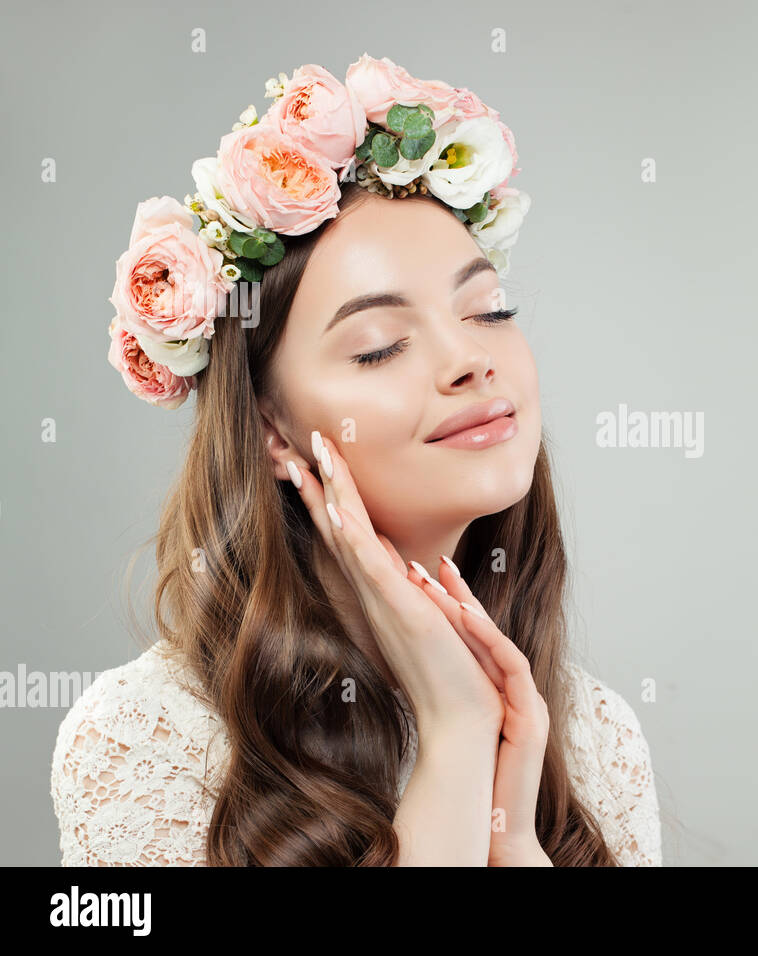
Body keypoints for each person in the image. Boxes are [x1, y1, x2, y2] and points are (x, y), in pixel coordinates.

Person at [49, 55, 662, 866]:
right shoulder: (150, 742)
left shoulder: (592, 737)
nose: (470, 362)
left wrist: (513, 843)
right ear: (272, 430)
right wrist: (455, 730)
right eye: (378, 348)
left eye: (489, 310)